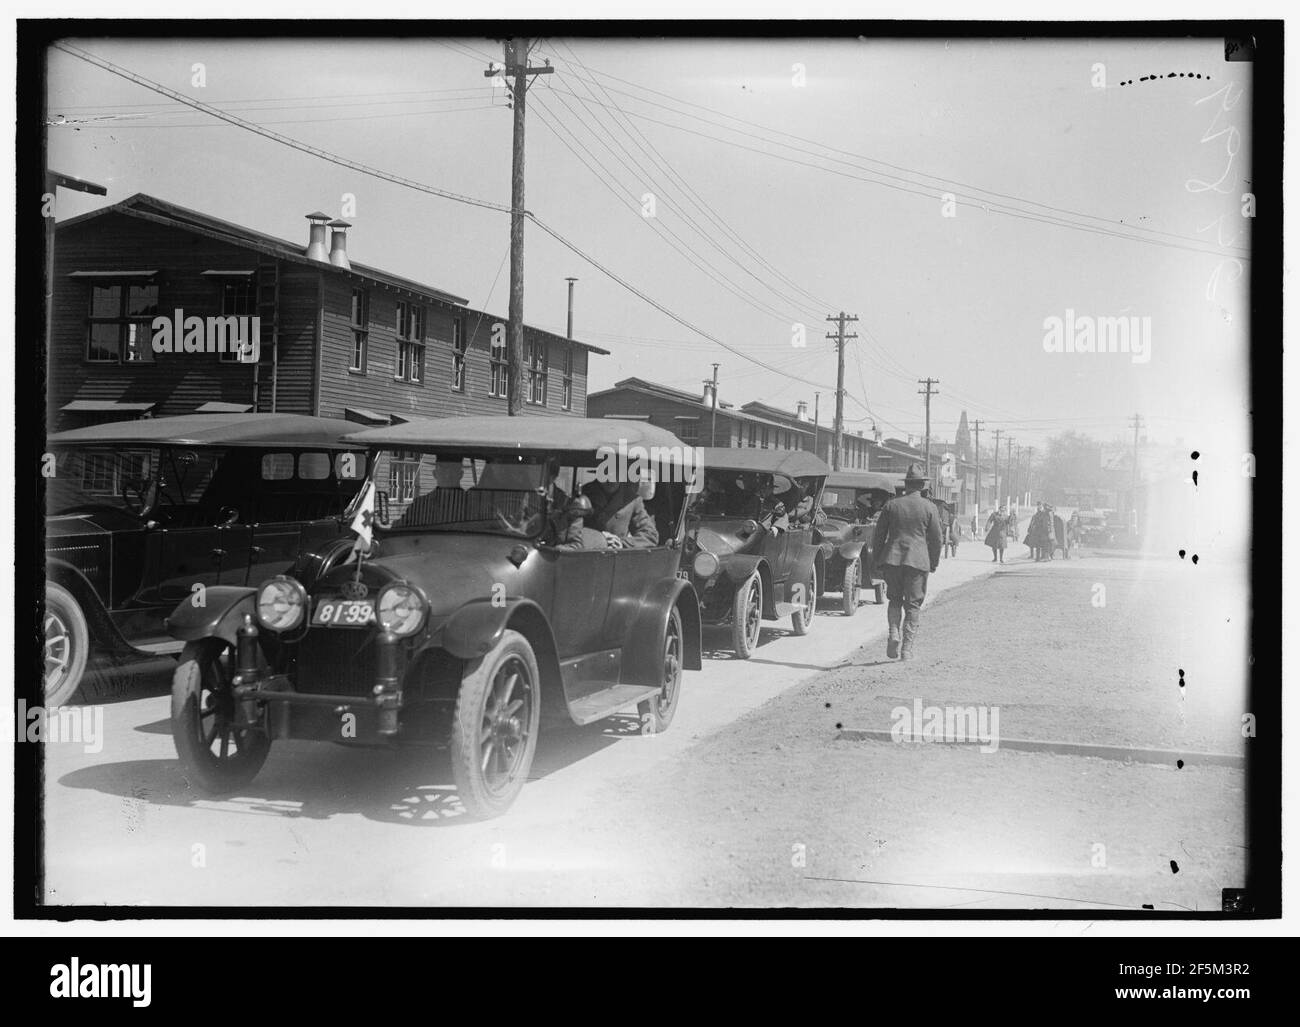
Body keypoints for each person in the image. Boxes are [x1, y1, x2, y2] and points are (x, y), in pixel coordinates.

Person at [870, 462, 942, 661]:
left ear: (907, 484)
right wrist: (933, 562)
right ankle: (907, 650)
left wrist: (878, 560)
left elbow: (879, 536)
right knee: (913, 605)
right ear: (922, 485)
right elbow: (937, 539)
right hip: (918, 562)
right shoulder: (930, 507)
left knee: (894, 599)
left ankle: (894, 633)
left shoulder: (892, 505)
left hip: (892, 560)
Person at [583, 478, 659, 549]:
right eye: (605, 473)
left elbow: (650, 535)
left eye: (615, 474)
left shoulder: (631, 499)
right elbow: (573, 528)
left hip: (616, 557)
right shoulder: (585, 493)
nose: (610, 479)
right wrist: (600, 538)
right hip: (586, 554)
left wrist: (621, 543)